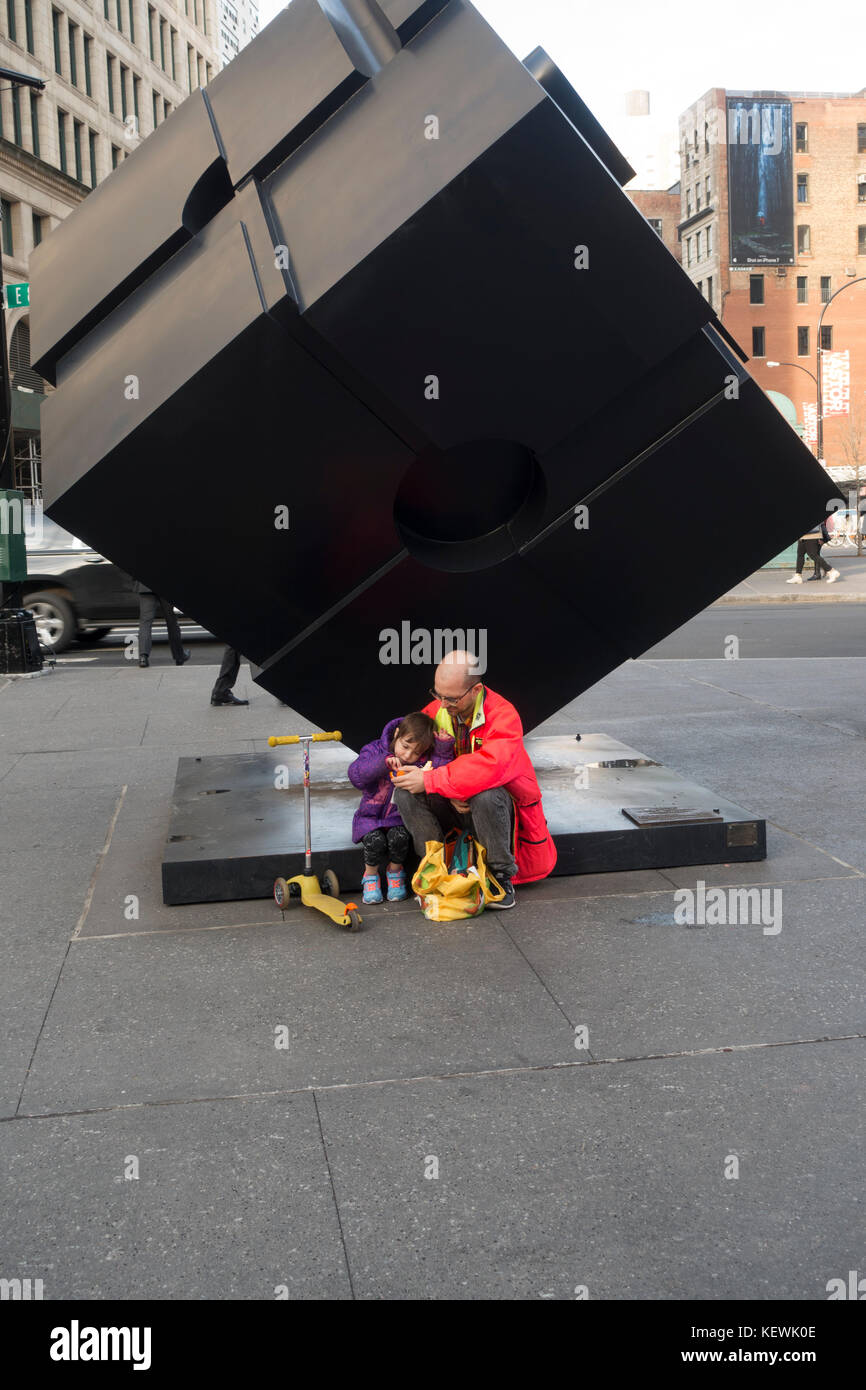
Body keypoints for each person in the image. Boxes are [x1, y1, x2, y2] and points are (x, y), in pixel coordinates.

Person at [393, 651, 557, 910]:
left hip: (492, 812)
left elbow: (490, 766)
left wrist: (437, 781)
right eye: (437, 694)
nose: (442, 704)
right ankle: (434, 869)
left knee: (487, 793)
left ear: (476, 689)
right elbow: (406, 745)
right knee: (405, 791)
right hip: (451, 802)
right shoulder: (437, 709)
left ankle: (500, 876)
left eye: (451, 698)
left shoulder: (504, 715)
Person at [348, 711, 453, 905]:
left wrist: (443, 750)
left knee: (400, 838)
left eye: (416, 752)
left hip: (398, 818)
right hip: (369, 817)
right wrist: (382, 763)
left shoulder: (421, 763)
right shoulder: (376, 749)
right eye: (405, 746)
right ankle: (370, 876)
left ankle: (395, 872)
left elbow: (440, 769)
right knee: (374, 841)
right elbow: (356, 775)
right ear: (397, 734)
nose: (408, 755)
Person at [133, 578, 190, 666]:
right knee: (172, 621)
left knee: (145, 622)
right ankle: (179, 657)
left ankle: (143, 657)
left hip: (145, 586)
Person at [787, 517, 840, 584]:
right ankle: (798, 576)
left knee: (813, 554)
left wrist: (824, 538)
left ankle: (832, 571)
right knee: (800, 554)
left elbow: (822, 524)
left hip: (812, 534)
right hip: (804, 536)